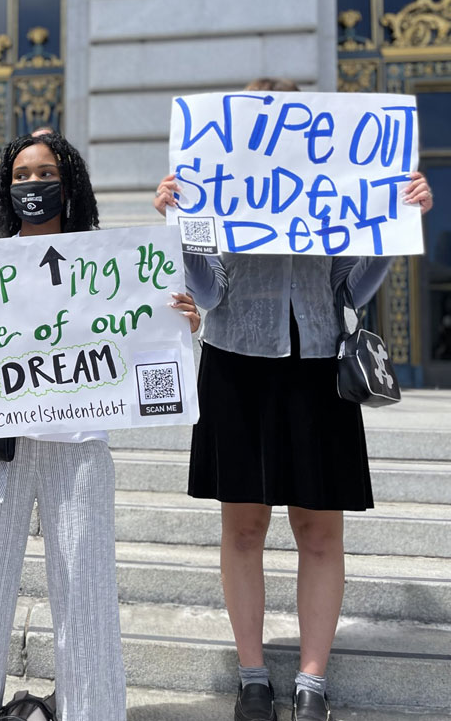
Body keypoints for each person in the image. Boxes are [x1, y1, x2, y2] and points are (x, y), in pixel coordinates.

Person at [153, 78, 434, 721]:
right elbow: (210, 292)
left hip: (316, 366)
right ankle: (253, 677)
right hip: (233, 361)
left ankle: (312, 682)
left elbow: (350, 289)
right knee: (244, 527)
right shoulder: (218, 184)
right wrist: (183, 223)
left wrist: (395, 223)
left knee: (319, 529)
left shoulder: (332, 181)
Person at [0, 132, 201, 721]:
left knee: (86, 591)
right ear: (5, 189)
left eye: (44, 172)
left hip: (80, 449)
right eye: (20, 175)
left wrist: (179, 326)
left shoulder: (111, 262)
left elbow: (141, 340)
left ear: (69, 182)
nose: (32, 184)